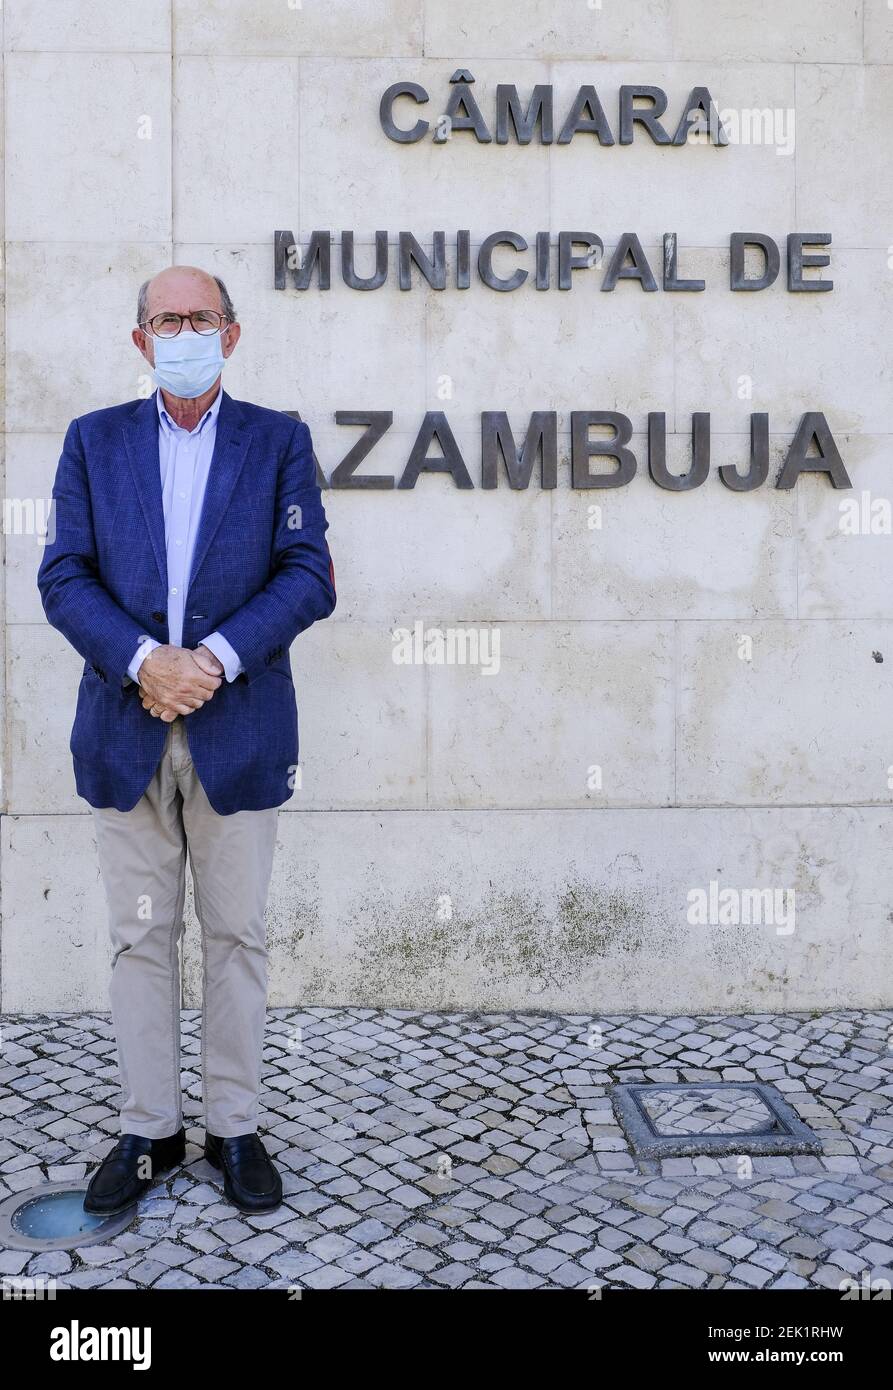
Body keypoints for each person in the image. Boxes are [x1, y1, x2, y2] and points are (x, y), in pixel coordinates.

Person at [37, 265, 336, 1214]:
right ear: (140, 341)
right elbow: (63, 577)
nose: (185, 331)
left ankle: (234, 1127)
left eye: (201, 316)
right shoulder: (93, 442)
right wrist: (142, 661)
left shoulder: (278, 441)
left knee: (237, 936)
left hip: (237, 726)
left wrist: (208, 656)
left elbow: (308, 574)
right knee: (138, 941)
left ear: (232, 334)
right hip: (124, 730)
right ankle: (151, 1130)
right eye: (167, 319)